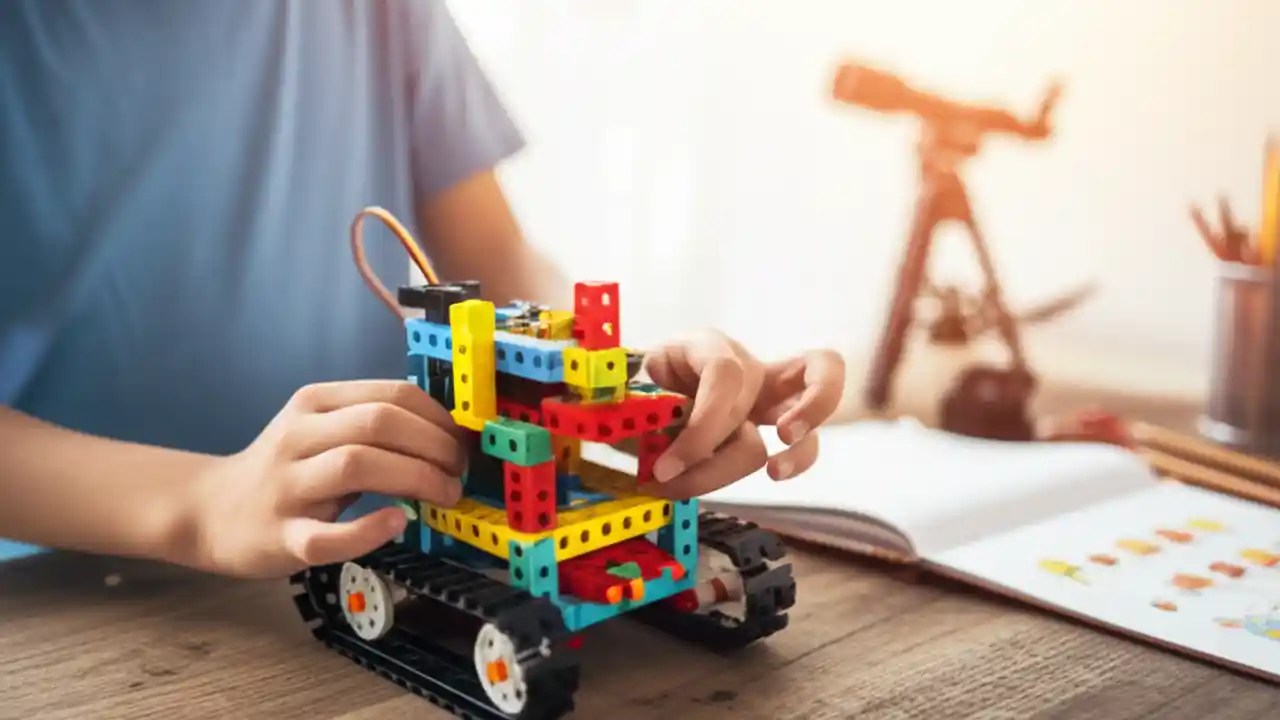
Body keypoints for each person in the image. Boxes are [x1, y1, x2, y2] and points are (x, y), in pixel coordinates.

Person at [0, 1, 845, 580]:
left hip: (400, 541)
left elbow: (501, 259)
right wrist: (200, 503)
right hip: (81, 588)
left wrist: (627, 370)